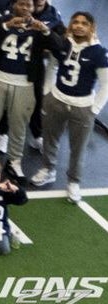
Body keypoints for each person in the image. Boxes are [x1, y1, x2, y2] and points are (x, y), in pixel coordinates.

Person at [0, 0, 66, 177]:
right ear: (13, 5)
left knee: (19, 126)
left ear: (34, 8)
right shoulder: (1, 21)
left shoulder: (39, 28)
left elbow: (59, 46)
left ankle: (15, 161)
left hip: (25, 84)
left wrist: (45, 30)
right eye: (21, 4)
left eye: (29, 5)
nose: (25, 8)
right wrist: (7, 26)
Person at [31, 12, 108, 203]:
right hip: (57, 99)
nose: (79, 26)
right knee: (50, 139)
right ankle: (48, 169)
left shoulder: (98, 52)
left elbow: (106, 83)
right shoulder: (63, 44)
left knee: (77, 148)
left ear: (91, 27)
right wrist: (48, 92)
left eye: (84, 23)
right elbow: (52, 66)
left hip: (82, 107)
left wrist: (94, 109)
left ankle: (73, 181)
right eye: (75, 22)